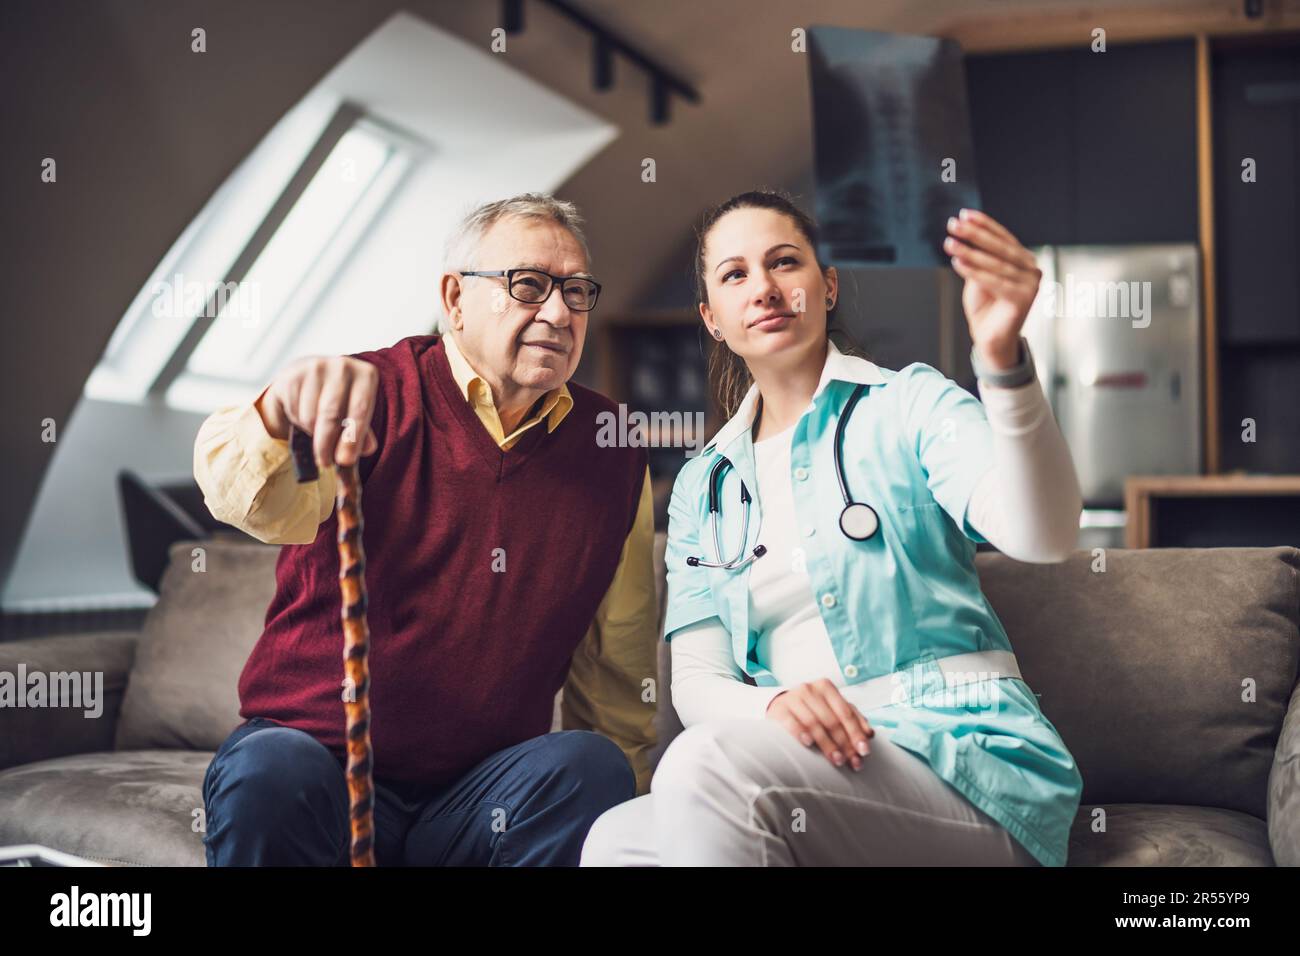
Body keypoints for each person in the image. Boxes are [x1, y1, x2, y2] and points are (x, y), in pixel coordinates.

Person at [581, 189, 1084, 867]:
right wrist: (775, 707)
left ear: (827, 285)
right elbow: (697, 683)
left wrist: (1002, 361)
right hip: (808, 770)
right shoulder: (704, 487)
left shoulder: (910, 403)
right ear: (713, 318)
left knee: (707, 766)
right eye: (734, 275)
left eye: (784, 263)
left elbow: (1043, 534)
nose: (763, 287)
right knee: (617, 840)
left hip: (966, 767)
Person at [195, 194, 659, 866]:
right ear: (455, 297)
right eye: (528, 285)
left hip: (482, 795)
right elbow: (251, 503)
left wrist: (629, 822)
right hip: (322, 769)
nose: (559, 313)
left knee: (591, 764)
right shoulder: (367, 393)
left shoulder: (614, 447)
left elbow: (618, 656)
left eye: (577, 293)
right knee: (271, 772)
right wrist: (279, 409)